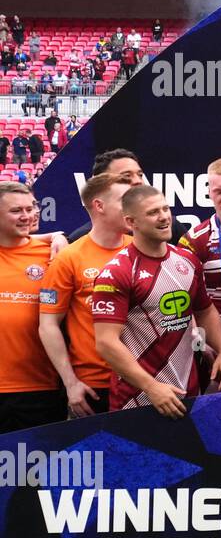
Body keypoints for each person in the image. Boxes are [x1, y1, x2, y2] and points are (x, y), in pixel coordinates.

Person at [92, 185, 221, 415]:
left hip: (188, 393)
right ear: (131, 222)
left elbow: (205, 311)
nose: (164, 217)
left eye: (165, 208)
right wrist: (151, 387)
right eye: (152, 212)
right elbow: (106, 343)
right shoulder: (117, 271)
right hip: (136, 401)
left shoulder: (187, 260)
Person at [39, 173, 132, 416]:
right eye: (124, 200)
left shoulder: (142, 248)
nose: (133, 206)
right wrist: (70, 383)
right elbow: (48, 324)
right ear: (98, 205)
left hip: (145, 376)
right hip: (95, 385)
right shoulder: (69, 258)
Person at [0, 182, 65, 431]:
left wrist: (57, 236)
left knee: (38, 468)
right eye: (16, 211)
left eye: (32, 207)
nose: (27, 216)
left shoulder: (53, 253)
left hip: (40, 389)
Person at [177, 157, 221, 376]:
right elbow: (182, 296)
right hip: (214, 348)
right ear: (208, 192)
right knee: (214, 410)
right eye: (218, 191)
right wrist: (199, 342)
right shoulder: (194, 239)